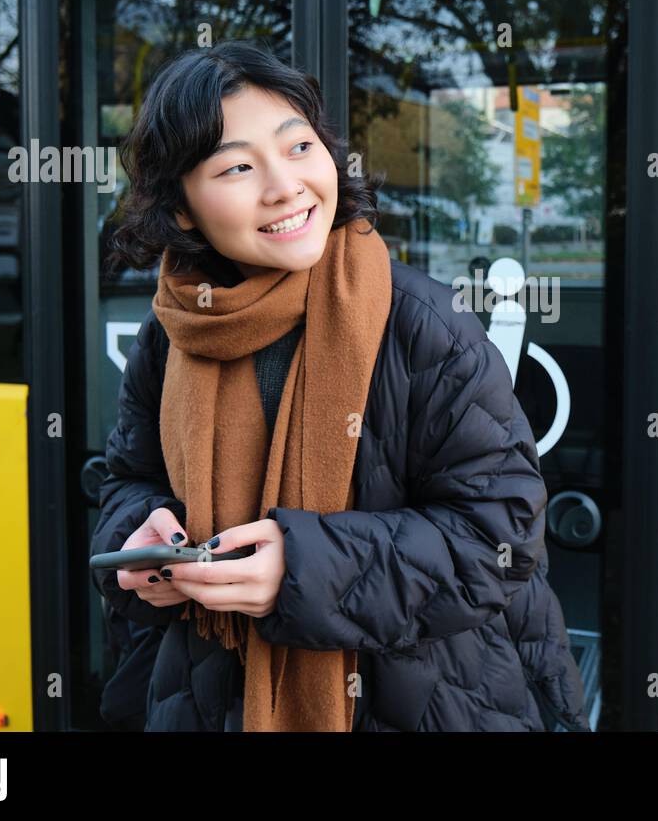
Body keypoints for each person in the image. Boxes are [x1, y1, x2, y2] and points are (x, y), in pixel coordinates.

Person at [89, 39, 589, 732]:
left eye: (298, 148)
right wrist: (139, 538)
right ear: (180, 209)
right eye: (237, 166)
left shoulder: (423, 322)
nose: (285, 185)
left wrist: (301, 570)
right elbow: (127, 479)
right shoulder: (172, 332)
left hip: (424, 700)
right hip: (208, 699)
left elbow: (498, 537)